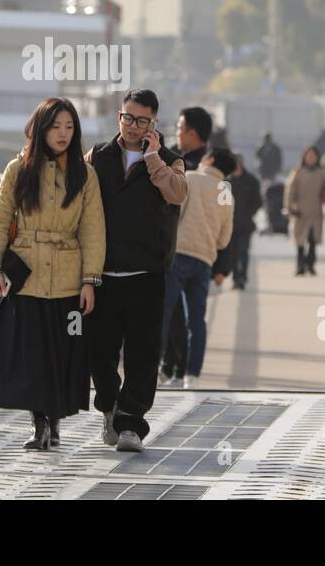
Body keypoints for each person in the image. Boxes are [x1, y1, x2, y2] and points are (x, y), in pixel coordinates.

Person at [0, 97, 106, 450]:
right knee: (31, 354)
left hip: (67, 276)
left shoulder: (85, 174)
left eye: (69, 127)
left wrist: (89, 280)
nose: (63, 134)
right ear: (41, 130)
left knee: (62, 351)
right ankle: (39, 424)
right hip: (27, 274)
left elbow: (93, 229)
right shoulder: (19, 170)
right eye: (55, 127)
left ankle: (55, 421)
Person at [86, 89, 189, 452]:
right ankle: (110, 407)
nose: (132, 126)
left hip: (148, 273)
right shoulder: (98, 156)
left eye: (141, 121)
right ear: (119, 117)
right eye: (127, 118)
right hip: (103, 273)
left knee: (143, 355)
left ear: (153, 124)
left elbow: (177, 194)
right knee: (100, 352)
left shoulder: (171, 161)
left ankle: (131, 423)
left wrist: (152, 158)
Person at [162, 148, 235, 388]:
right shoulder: (226, 193)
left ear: (210, 159)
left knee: (164, 312)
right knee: (197, 320)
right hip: (204, 259)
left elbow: (175, 214)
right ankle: (192, 375)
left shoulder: (190, 178)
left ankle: (154, 365)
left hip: (179, 254)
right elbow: (225, 240)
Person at [160, 106, 212, 386]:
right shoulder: (213, 169)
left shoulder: (194, 169)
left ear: (192, 133)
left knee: (172, 312)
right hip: (200, 253)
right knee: (189, 316)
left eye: (180, 129)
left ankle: (176, 368)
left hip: (180, 249)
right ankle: (180, 370)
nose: (177, 134)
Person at [218, 153, 261, 290]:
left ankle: (242, 276)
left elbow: (258, 201)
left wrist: (250, 213)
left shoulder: (252, 181)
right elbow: (221, 203)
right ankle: (236, 278)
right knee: (233, 254)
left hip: (246, 224)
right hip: (230, 225)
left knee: (244, 252)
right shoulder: (226, 182)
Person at [285, 146, 325, 276]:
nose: (311, 158)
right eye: (308, 155)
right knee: (300, 240)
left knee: (313, 240)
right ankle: (300, 266)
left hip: (315, 210)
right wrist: (289, 207)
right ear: (304, 157)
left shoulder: (321, 173)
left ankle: (311, 265)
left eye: (313, 155)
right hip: (300, 210)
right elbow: (290, 190)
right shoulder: (298, 172)